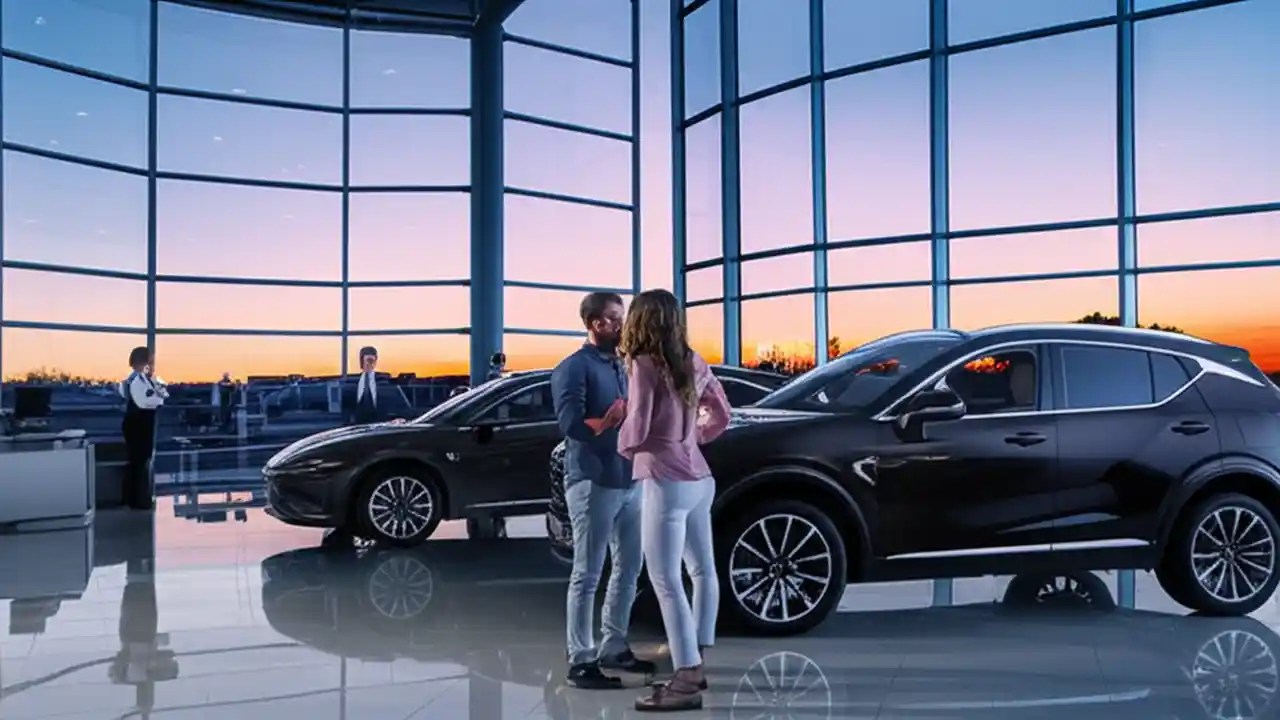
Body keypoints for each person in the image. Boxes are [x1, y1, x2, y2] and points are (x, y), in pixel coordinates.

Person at [617, 289, 732, 712]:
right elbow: (722, 412)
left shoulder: (645, 364)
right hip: (700, 477)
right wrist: (693, 439)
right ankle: (698, 648)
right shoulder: (694, 360)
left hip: (666, 480)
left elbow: (640, 421)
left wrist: (624, 445)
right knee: (702, 569)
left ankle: (686, 674)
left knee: (665, 579)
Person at [551, 291, 656, 689]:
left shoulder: (625, 365)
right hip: (593, 481)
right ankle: (581, 659)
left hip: (632, 479)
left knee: (630, 566)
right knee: (588, 572)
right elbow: (571, 425)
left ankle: (614, 645)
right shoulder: (572, 368)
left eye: (622, 317)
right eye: (614, 319)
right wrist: (607, 421)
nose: (622, 325)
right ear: (596, 323)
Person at [119, 346, 167, 510]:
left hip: (135, 422)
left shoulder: (132, 379)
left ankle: (134, 498)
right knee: (140, 460)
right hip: (140, 423)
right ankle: (139, 500)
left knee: (136, 461)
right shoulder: (138, 381)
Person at [343, 346, 410, 425]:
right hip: (357, 427)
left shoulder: (385, 383)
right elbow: (346, 409)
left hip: (379, 427)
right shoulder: (351, 384)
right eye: (367, 360)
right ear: (361, 361)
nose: (369, 364)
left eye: (372, 361)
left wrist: (399, 419)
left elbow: (402, 409)